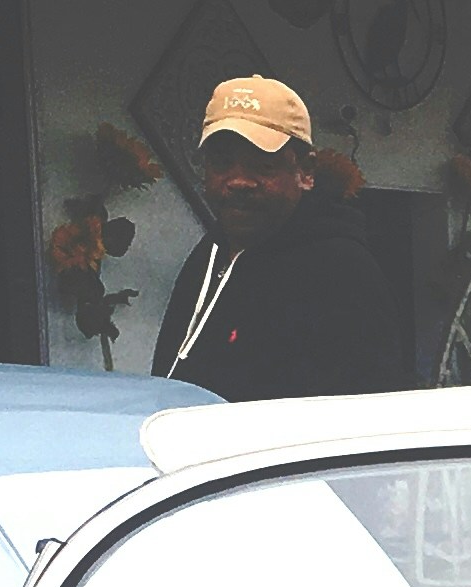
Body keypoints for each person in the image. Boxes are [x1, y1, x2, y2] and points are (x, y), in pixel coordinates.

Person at [150, 76, 407, 402]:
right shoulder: (210, 254)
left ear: (306, 171)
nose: (239, 180)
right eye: (222, 163)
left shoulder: (340, 270)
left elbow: (360, 416)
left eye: (263, 165)